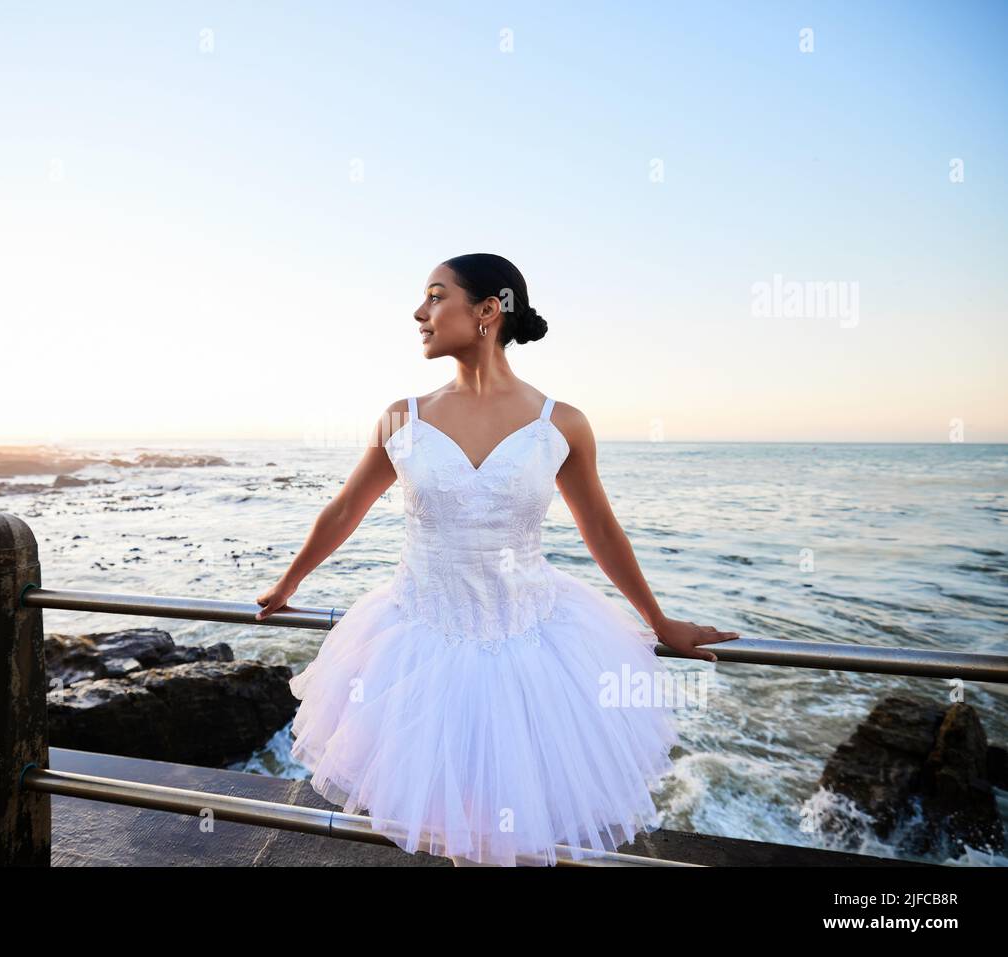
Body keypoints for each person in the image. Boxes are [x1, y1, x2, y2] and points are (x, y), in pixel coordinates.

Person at [255, 253, 740, 867]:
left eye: (435, 297)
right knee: (452, 828)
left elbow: (600, 529)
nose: (419, 312)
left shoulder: (561, 423)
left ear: (488, 311)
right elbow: (347, 508)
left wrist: (659, 620)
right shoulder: (402, 416)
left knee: (513, 825)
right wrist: (287, 582)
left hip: (533, 648)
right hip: (418, 644)